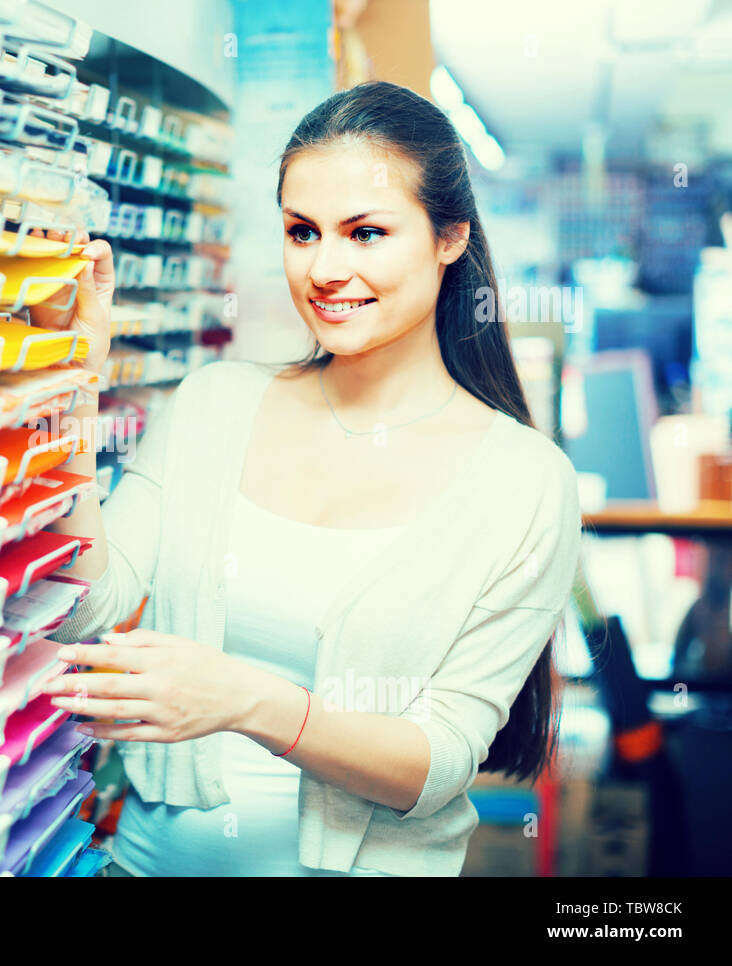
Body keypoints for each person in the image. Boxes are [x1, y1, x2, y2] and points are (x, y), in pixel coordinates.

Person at [33, 81, 583, 876]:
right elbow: (84, 611)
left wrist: (249, 703)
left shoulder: (526, 483)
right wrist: (72, 392)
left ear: (450, 237)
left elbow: (439, 763)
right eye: (302, 231)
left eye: (366, 233)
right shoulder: (214, 403)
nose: (326, 268)